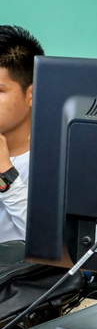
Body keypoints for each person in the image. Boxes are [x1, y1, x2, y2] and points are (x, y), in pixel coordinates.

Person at [0, 26, 41, 243]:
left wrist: (5, 173)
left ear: (32, 94)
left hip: (22, 276)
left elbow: (53, 248)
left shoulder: (55, 159)